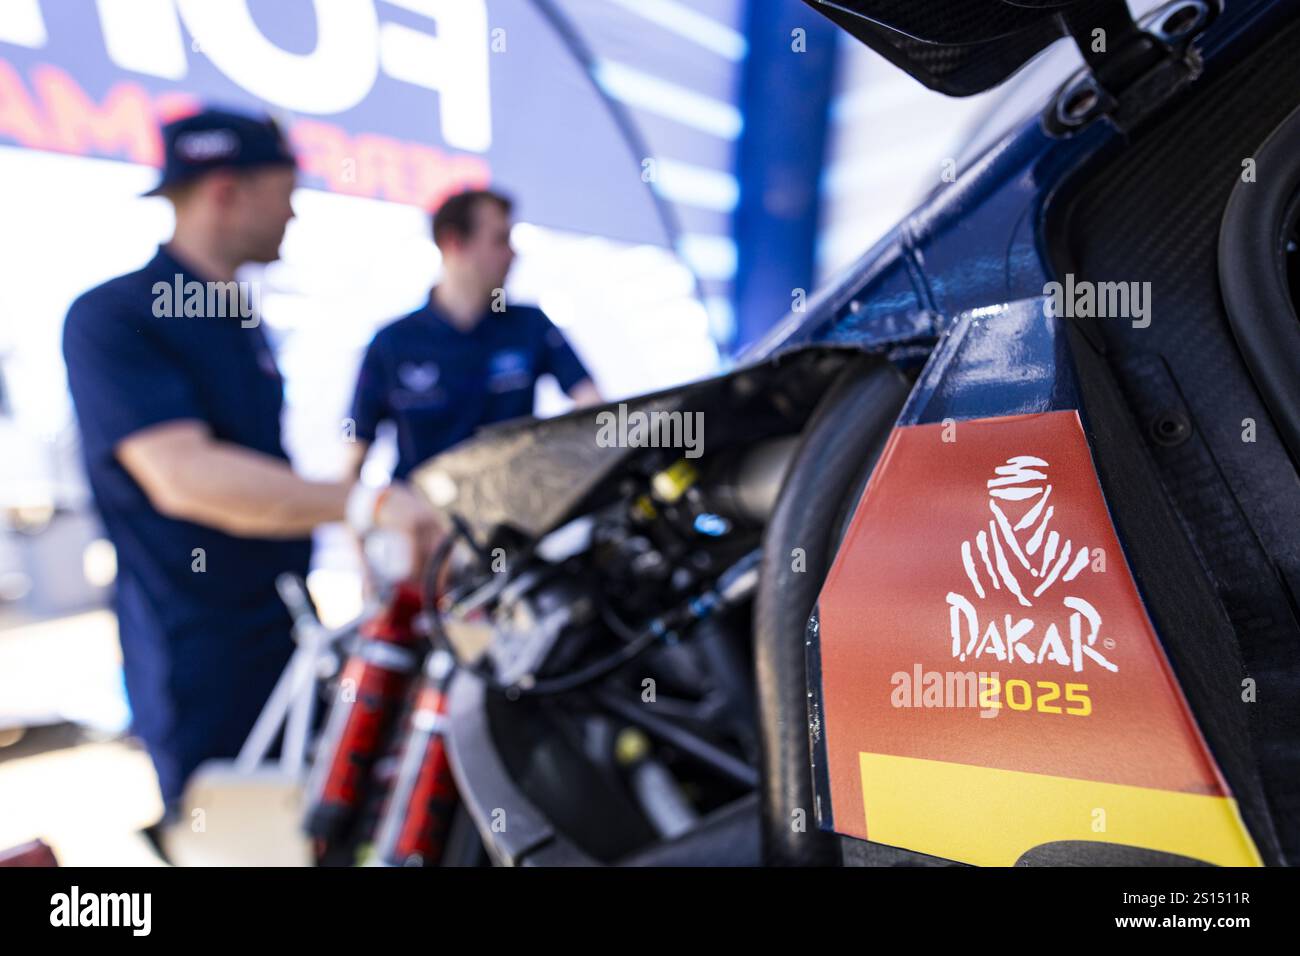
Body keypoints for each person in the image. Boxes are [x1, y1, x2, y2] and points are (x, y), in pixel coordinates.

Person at [62, 108, 441, 819]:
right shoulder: (114, 317)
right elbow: (183, 476)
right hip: (197, 657)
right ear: (226, 192)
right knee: (233, 837)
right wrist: (368, 504)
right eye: (284, 191)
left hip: (280, 631)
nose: (295, 214)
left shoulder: (237, 320)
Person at [346, 189, 601, 482]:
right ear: (454, 242)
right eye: (500, 240)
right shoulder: (392, 343)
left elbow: (592, 406)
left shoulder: (531, 326)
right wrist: (361, 517)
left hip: (516, 509)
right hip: (423, 517)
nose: (512, 254)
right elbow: (355, 452)